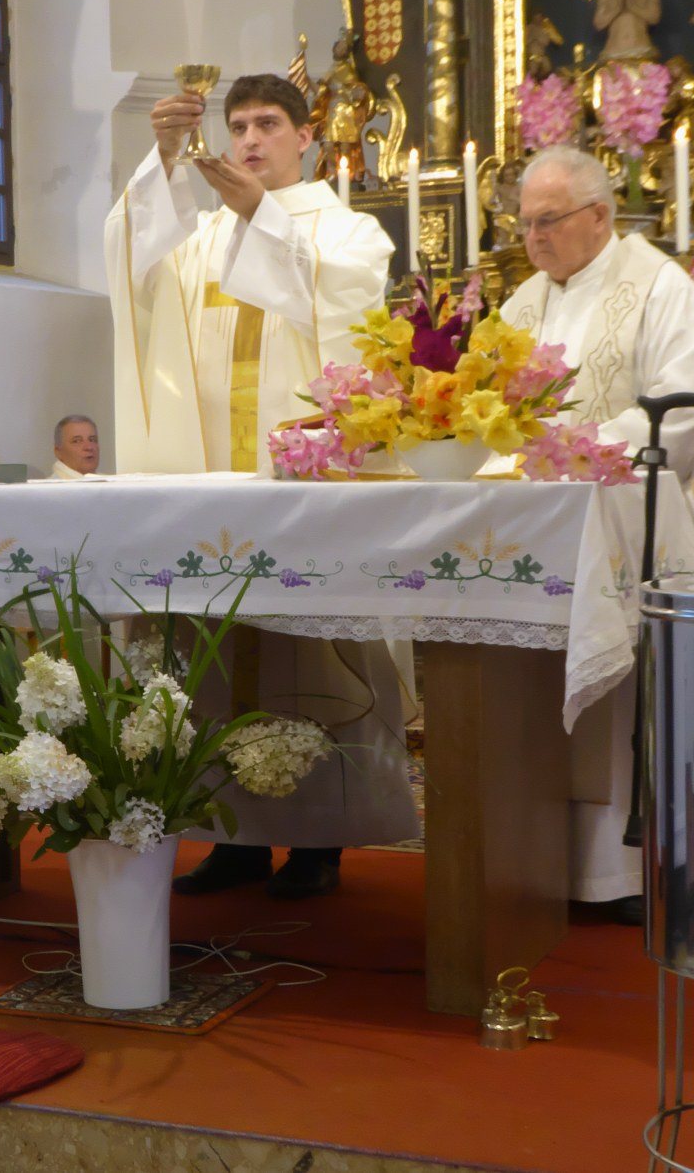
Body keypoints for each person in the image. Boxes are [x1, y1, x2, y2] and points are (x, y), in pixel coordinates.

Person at [104, 73, 418, 898]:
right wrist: (165, 157)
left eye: (268, 124)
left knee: (310, 653)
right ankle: (230, 836)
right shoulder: (202, 236)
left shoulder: (347, 234)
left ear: (307, 136)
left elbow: (346, 309)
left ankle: (323, 841)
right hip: (210, 491)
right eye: (237, 124)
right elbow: (131, 263)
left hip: (301, 498)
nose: (248, 139)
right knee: (211, 665)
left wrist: (258, 218)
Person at [501, 145, 694, 922]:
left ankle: (622, 871)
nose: (533, 237)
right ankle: (529, 862)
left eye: (548, 220)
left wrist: (577, 451)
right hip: (534, 525)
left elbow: (680, 417)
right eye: (524, 223)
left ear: (600, 215)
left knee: (620, 695)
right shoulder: (521, 304)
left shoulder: (659, 287)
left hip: (628, 521)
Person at [50, 414, 99, 479]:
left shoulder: (111, 485)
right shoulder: (50, 488)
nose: (89, 447)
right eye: (77, 441)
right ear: (58, 452)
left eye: (92, 440)